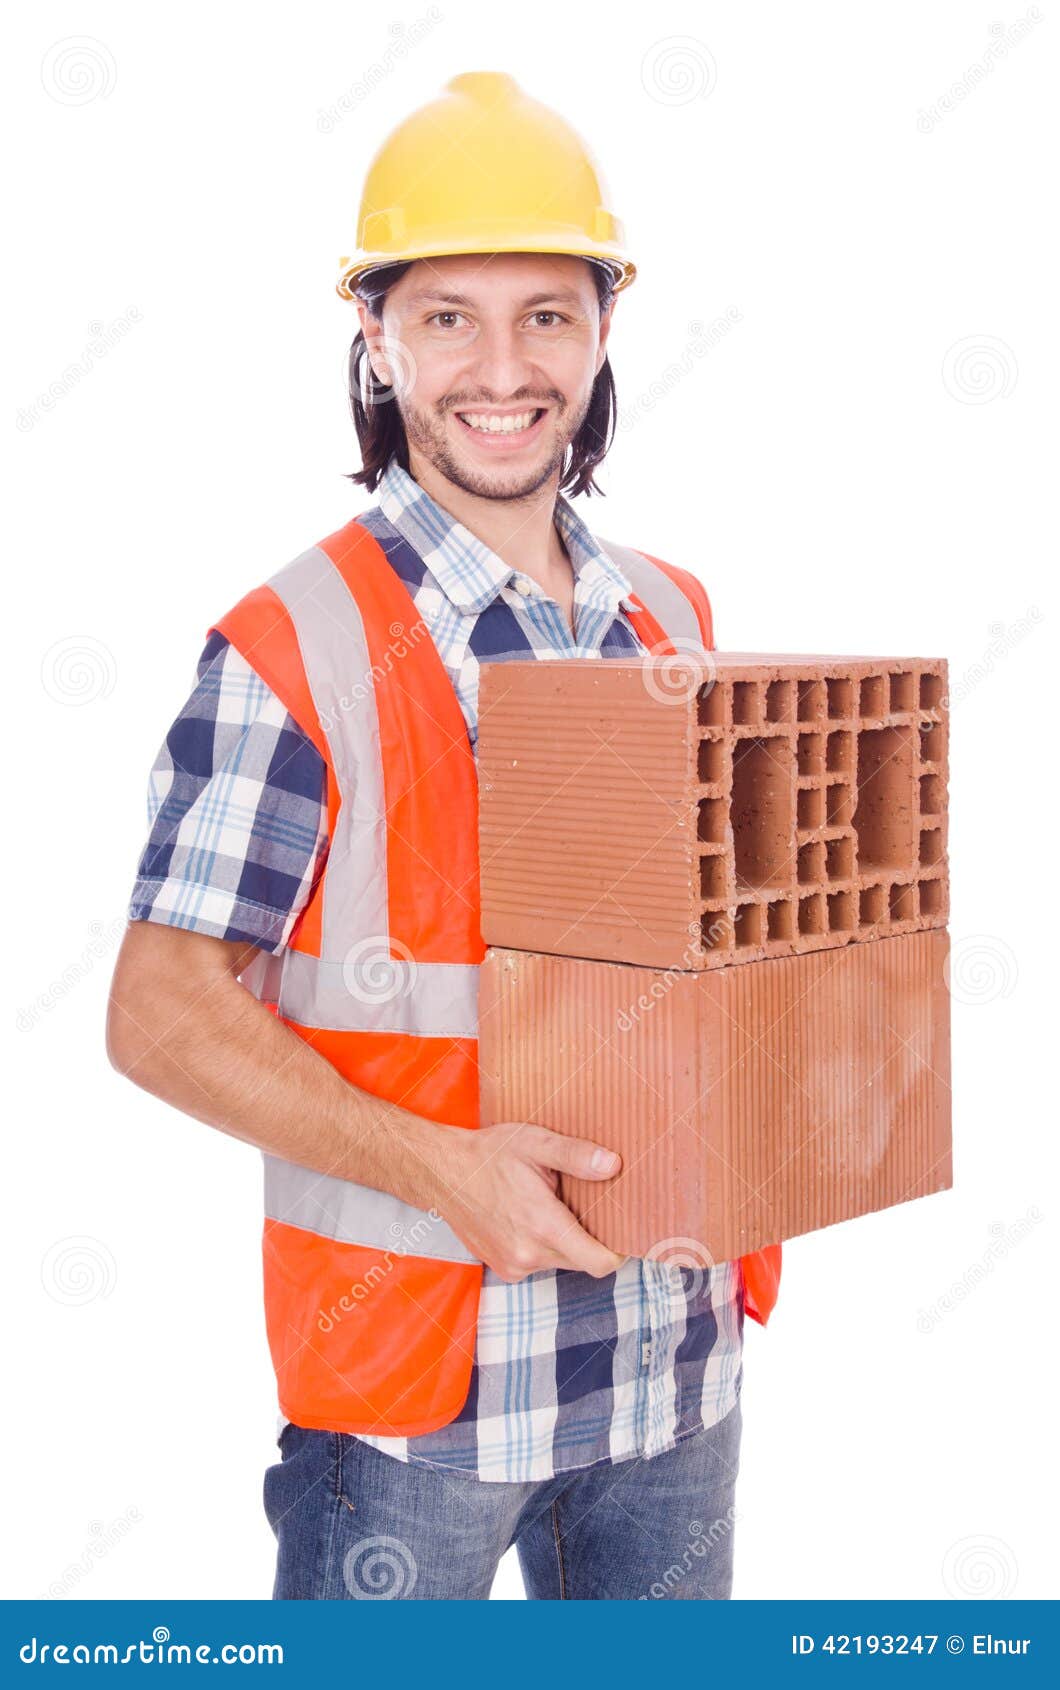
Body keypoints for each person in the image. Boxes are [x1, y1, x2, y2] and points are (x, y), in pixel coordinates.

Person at [106, 70, 780, 1602]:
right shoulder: (302, 643)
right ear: (378, 338)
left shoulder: (671, 616)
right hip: (425, 1395)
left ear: (605, 328)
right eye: (448, 316)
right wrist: (448, 1171)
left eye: (547, 312)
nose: (502, 366)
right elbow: (156, 1012)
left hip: (674, 1370)